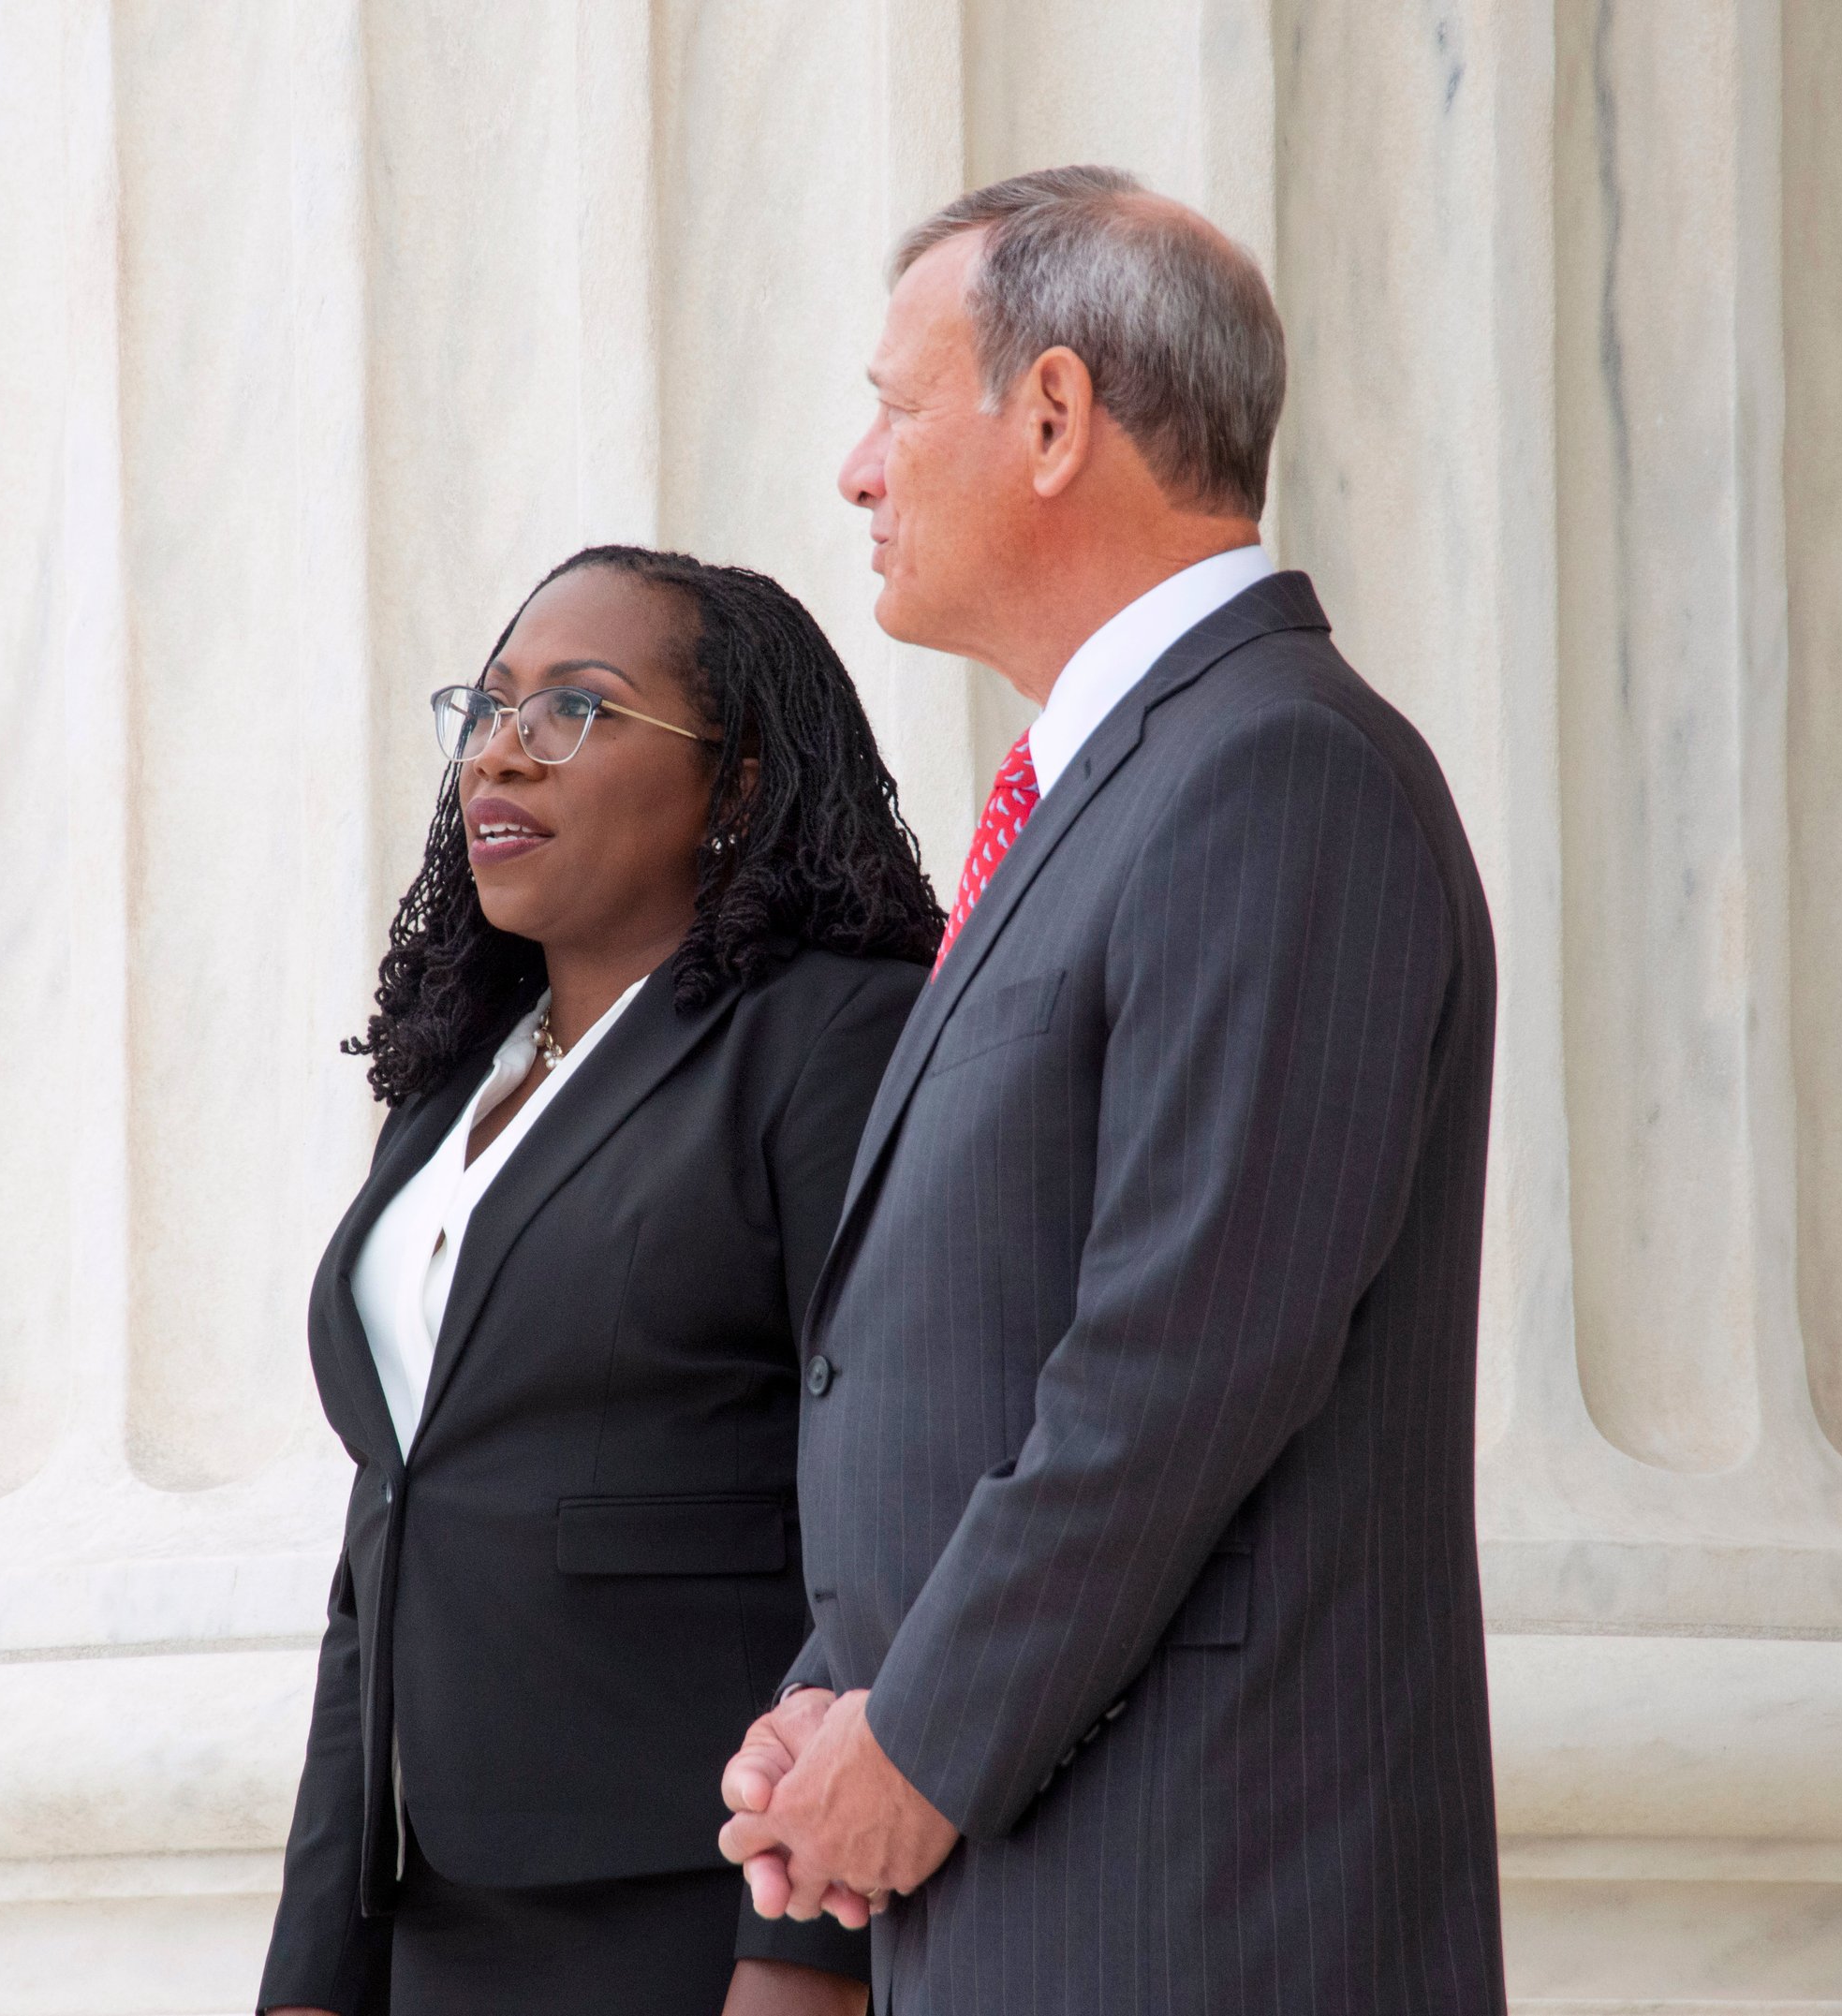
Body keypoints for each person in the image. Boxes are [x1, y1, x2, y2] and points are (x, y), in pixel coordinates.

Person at [716, 167, 1508, 2013]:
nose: (855, 470)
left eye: (895, 408)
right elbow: (975, 1348)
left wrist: (921, 1747)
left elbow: (1183, 1356)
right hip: (1050, 1893)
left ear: (1055, 416)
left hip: (1198, 1911)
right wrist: (837, 1721)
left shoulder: (1277, 774)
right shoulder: (1116, 793)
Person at [258, 546, 943, 2016]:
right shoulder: (455, 1088)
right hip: (435, 1910)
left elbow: (894, 1487)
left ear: (740, 781)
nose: (502, 748)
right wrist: (315, 1967)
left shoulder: (832, 1038)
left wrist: (810, 1951)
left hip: (692, 1899)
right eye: (490, 707)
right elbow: (387, 1537)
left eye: (577, 708)